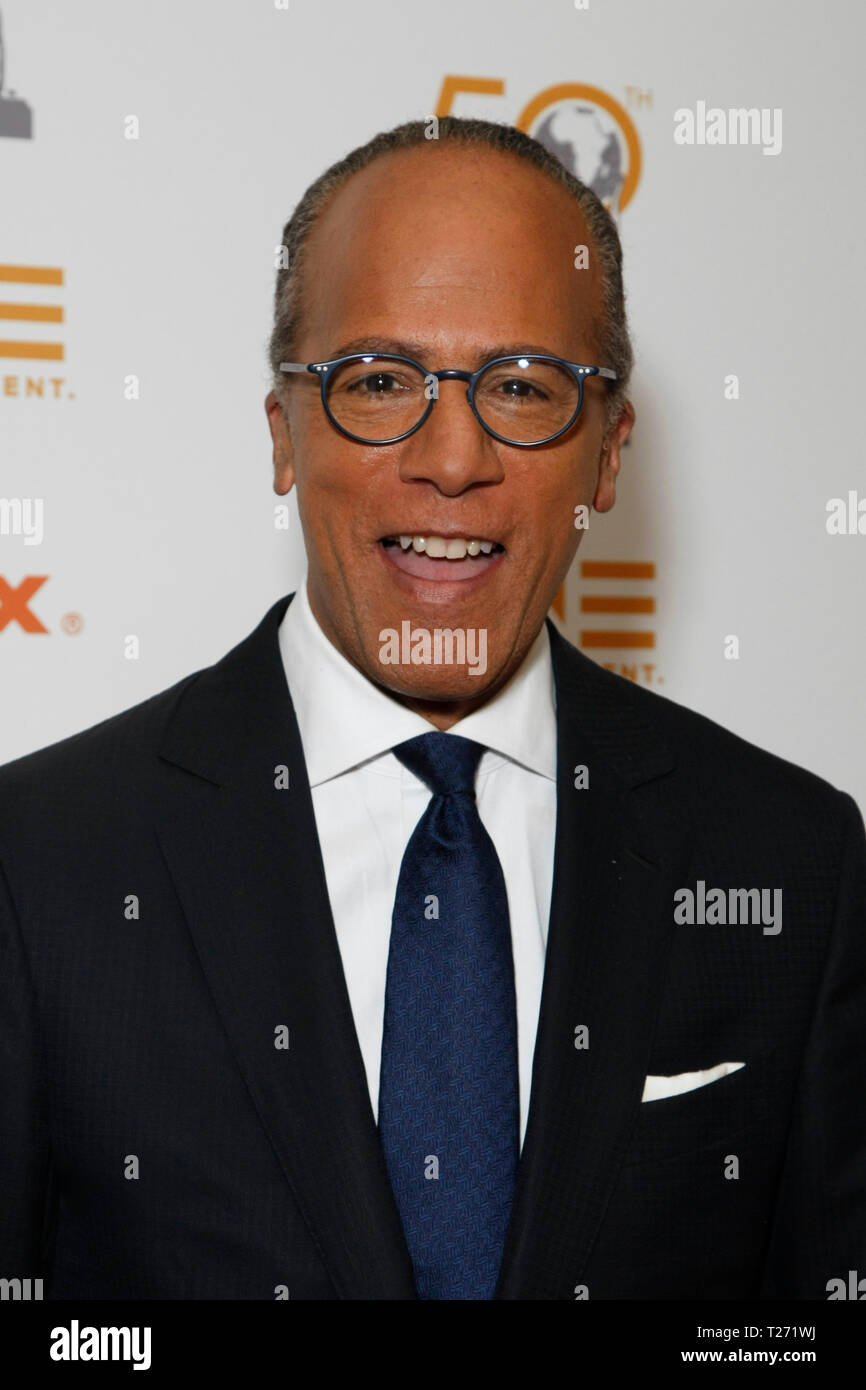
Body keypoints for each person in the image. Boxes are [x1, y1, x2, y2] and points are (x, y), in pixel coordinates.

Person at [0, 116, 863, 1301]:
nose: (450, 457)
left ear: (608, 453)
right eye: (378, 381)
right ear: (282, 435)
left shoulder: (789, 860)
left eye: (520, 385)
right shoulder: (43, 860)